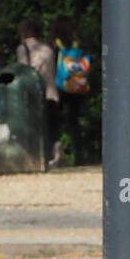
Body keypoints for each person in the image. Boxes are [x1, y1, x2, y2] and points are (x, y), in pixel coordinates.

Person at [16, 18, 61, 166]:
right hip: (52, 93)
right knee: (51, 128)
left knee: (34, 128)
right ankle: (53, 155)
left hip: (34, 95)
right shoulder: (48, 48)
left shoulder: (23, 48)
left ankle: (36, 158)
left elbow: (24, 71)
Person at [51, 16, 91, 166]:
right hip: (77, 86)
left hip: (61, 86)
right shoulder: (78, 44)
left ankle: (56, 152)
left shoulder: (56, 45)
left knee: (55, 121)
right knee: (74, 122)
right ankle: (79, 154)